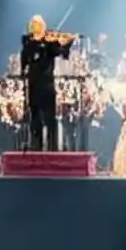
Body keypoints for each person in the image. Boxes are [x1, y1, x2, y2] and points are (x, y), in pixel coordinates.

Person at [20, 15, 74, 151]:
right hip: (33, 84)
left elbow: (62, 52)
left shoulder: (50, 44)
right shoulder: (28, 43)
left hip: (47, 84)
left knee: (50, 118)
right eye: (33, 24)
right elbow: (25, 59)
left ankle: (52, 148)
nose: (35, 27)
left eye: (38, 24)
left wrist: (65, 41)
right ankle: (35, 146)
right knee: (35, 117)